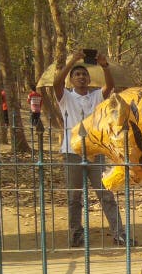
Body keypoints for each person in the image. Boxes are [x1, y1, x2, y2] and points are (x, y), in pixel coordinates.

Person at [53, 50, 134, 248]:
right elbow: (56, 83)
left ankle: (119, 234)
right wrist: (72, 60)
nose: (81, 77)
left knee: (106, 193)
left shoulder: (97, 95)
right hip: (72, 152)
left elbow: (111, 86)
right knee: (74, 196)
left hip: (95, 152)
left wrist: (104, 65)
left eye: (84, 74)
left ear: (89, 78)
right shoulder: (66, 97)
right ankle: (76, 235)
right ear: (71, 80)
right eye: (77, 75)